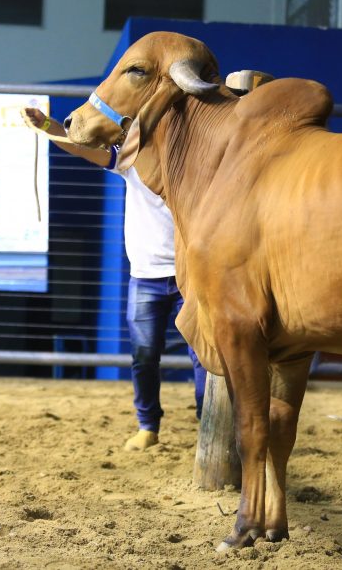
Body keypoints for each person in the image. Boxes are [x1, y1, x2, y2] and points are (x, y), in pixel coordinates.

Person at [21, 106, 206, 451]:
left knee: (203, 357)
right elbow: (81, 147)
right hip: (146, 277)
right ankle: (147, 426)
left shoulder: (194, 167)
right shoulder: (131, 161)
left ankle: (206, 426)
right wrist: (46, 124)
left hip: (189, 278)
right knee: (144, 356)